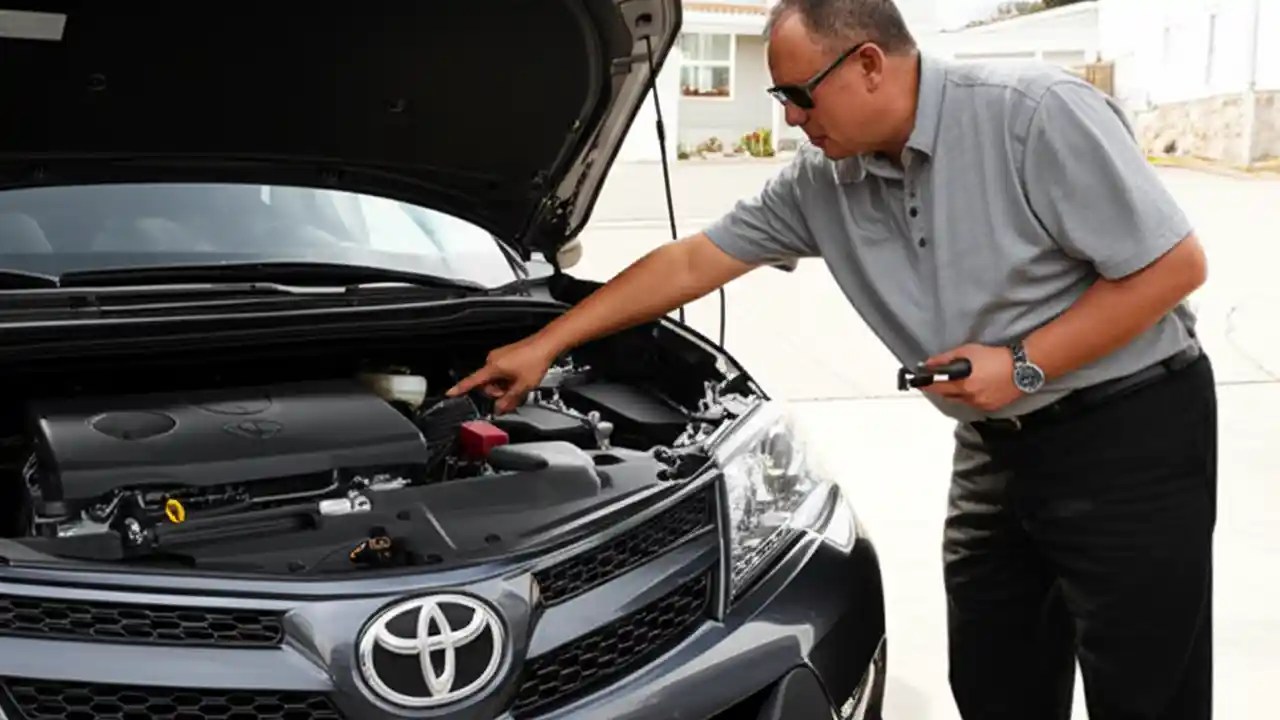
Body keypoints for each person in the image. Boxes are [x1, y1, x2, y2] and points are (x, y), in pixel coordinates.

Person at [448, 1, 1217, 718]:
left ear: (870, 64)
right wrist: (545, 342)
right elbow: (692, 262)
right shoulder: (824, 183)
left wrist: (1022, 363)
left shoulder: (1033, 114)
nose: (788, 116)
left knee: (1145, 687)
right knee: (995, 675)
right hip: (997, 449)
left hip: (1130, 435)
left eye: (799, 94)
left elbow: (1172, 266)